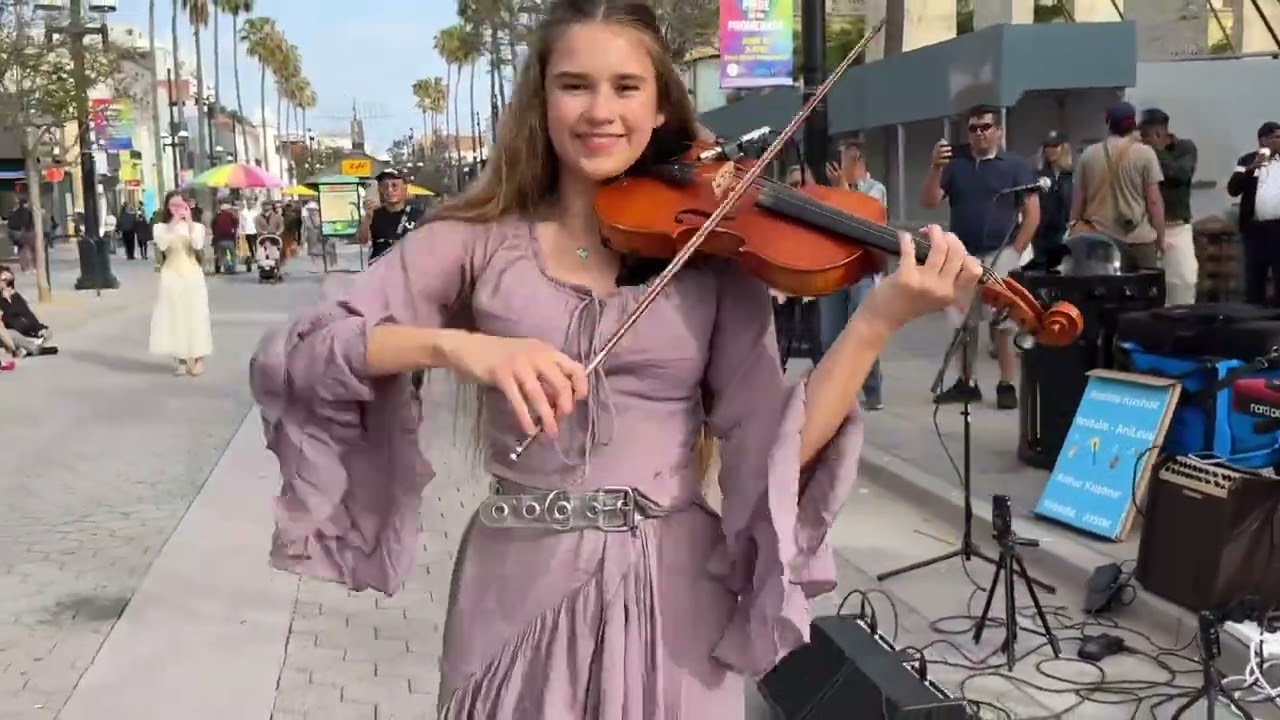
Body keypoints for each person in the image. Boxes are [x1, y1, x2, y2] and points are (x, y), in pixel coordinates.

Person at [248, 1, 981, 717]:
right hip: (517, 580)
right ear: (541, 100)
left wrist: (877, 322)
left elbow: (772, 449)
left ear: (660, 107)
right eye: (575, 85)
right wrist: (456, 345)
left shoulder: (713, 253)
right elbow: (304, 350)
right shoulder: (479, 239)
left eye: (626, 87)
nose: (601, 111)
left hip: (674, 590)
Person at [920, 104, 1039, 410]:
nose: (980, 134)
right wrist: (935, 167)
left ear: (998, 131)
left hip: (1001, 253)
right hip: (963, 256)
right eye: (973, 129)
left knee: (1003, 324)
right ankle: (966, 382)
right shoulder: (955, 166)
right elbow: (929, 201)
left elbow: (1032, 215)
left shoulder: (1015, 166)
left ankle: (1006, 384)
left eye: (986, 127)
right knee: (964, 322)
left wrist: (1014, 253)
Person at [817, 139, 887, 409]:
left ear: (857, 161)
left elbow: (864, 222)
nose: (838, 167)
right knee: (830, 336)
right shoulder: (831, 190)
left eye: (843, 161)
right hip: (834, 267)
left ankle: (873, 391)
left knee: (862, 332)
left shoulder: (875, 189)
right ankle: (836, 394)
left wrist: (843, 190)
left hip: (863, 270)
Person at [1070, 102, 1165, 272]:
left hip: (1100, 243)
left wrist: (1073, 229)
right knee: (1144, 287)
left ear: (1108, 123)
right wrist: (1160, 238)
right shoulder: (1145, 154)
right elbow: (1154, 202)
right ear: (1133, 124)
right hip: (1138, 240)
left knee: (1101, 288)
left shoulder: (1089, 155)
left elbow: (1078, 202)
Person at [1139, 108, 1198, 305]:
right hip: (1147, 228)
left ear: (1157, 134)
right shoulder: (1140, 153)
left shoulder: (1185, 148)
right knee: (1150, 284)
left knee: (1185, 280)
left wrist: (1155, 152)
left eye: (1145, 135)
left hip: (1177, 225)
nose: (1142, 140)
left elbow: (1181, 173)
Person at [150, 191, 213, 376]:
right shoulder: (161, 227)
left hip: (192, 274)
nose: (177, 209)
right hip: (171, 275)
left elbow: (197, 245)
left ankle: (199, 359)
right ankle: (182, 360)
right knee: (175, 317)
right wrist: (173, 223)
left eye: (180, 205)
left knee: (196, 315)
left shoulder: (197, 227)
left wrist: (190, 221)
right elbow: (162, 245)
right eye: (173, 206)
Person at [1227, 121, 1280, 306]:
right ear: (1263, 140)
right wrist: (1252, 168)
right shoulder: (1247, 160)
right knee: (1254, 276)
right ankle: (1254, 313)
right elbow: (1233, 189)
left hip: (1278, 228)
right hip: (1254, 229)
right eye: (1276, 137)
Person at [356, 167, 423, 263]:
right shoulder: (375, 214)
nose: (389, 190)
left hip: (409, 266)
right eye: (384, 186)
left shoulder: (418, 215)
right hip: (380, 267)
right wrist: (367, 217)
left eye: (394, 185)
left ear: (405, 187)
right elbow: (362, 241)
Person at [1031, 131, 1074, 266]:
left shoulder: (1071, 176)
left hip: (1066, 235)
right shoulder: (1037, 176)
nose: (1051, 150)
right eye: (1047, 146)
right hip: (1042, 236)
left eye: (1055, 146)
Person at [0, 264, 51, 358]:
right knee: (11, 335)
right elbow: (5, 321)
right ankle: (32, 347)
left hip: (24, 330)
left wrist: (39, 328)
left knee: (47, 332)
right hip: (9, 331)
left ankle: (25, 347)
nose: (7, 284)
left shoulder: (16, 297)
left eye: (9, 280)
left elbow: (28, 314)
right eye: (4, 280)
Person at [7, 199, 35, 273]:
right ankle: (30, 267)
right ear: (25, 204)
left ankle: (25, 268)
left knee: (22, 250)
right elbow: (30, 223)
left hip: (14, 233)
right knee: (28, 249)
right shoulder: (27, 212)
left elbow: (10, 224)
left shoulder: (15, 212)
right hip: (23, 233)